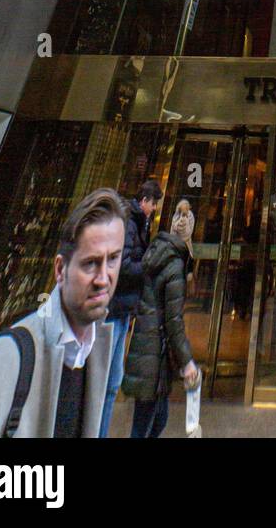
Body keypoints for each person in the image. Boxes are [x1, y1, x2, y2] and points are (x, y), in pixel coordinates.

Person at [0, 189, 125, 438]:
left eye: (113, 259)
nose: (103, 278)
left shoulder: (94, 352)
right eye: (90, 263)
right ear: (60, 269)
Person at [121, 224, 199, 437]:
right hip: (155, 352)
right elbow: (174, 321)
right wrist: (187, 361)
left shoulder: (153, 256)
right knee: (146, 422)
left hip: (145, 345)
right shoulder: (174, 269)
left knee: (156, 416)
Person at [99, 178, 163, 438]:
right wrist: (148, 265)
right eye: (155, 204)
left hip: (123, 308)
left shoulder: (138, 222)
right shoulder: (130, 223)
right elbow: (124, 266)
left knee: (113, 380)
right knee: (107, 380)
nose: (156, 209)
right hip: (115, 308)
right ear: (146, 201)